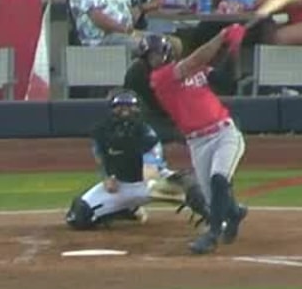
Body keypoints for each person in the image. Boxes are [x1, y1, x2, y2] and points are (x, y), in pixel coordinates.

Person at [142, 28, 250, 255]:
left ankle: (211, 235)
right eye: (149, 57)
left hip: (224, 133)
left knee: (219, 179)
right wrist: (221, 37)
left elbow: (225, 80)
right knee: (212, 200)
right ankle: (235, 213)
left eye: (155, 54)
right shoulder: (159, 79)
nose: (153, 59)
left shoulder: (196, 70)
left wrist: (233, 48)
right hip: (197, 143)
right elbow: (195, 60)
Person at [64, 89, 209, 230]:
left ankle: (216, 217)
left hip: (150, 182)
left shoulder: (146, 135)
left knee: (195, 191)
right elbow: (101, 159)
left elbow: (150, 172)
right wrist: (106, 177)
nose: (125, 112)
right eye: (120, 107)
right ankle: (127, 210)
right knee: (79, 215)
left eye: (129, 107)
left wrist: (156, 187)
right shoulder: (101, 133)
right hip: (122, 184)